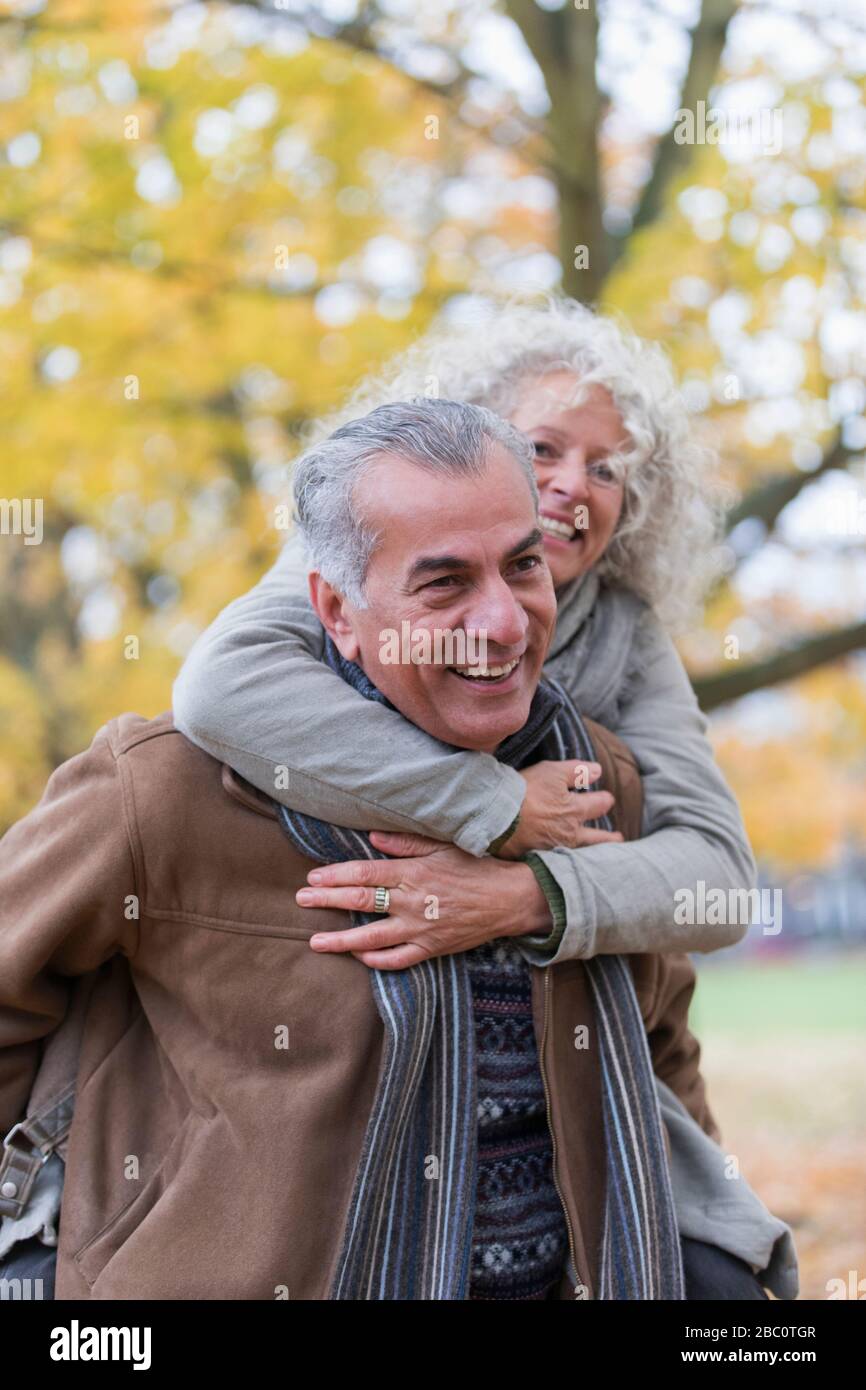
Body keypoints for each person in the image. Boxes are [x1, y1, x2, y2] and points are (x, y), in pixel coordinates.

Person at [0, 399, 788, 1299]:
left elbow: (659, 1054)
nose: (502, 622)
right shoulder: (165, 790)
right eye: (444, 583)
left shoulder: (596, 786)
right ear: (336, 609)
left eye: (523, 565)